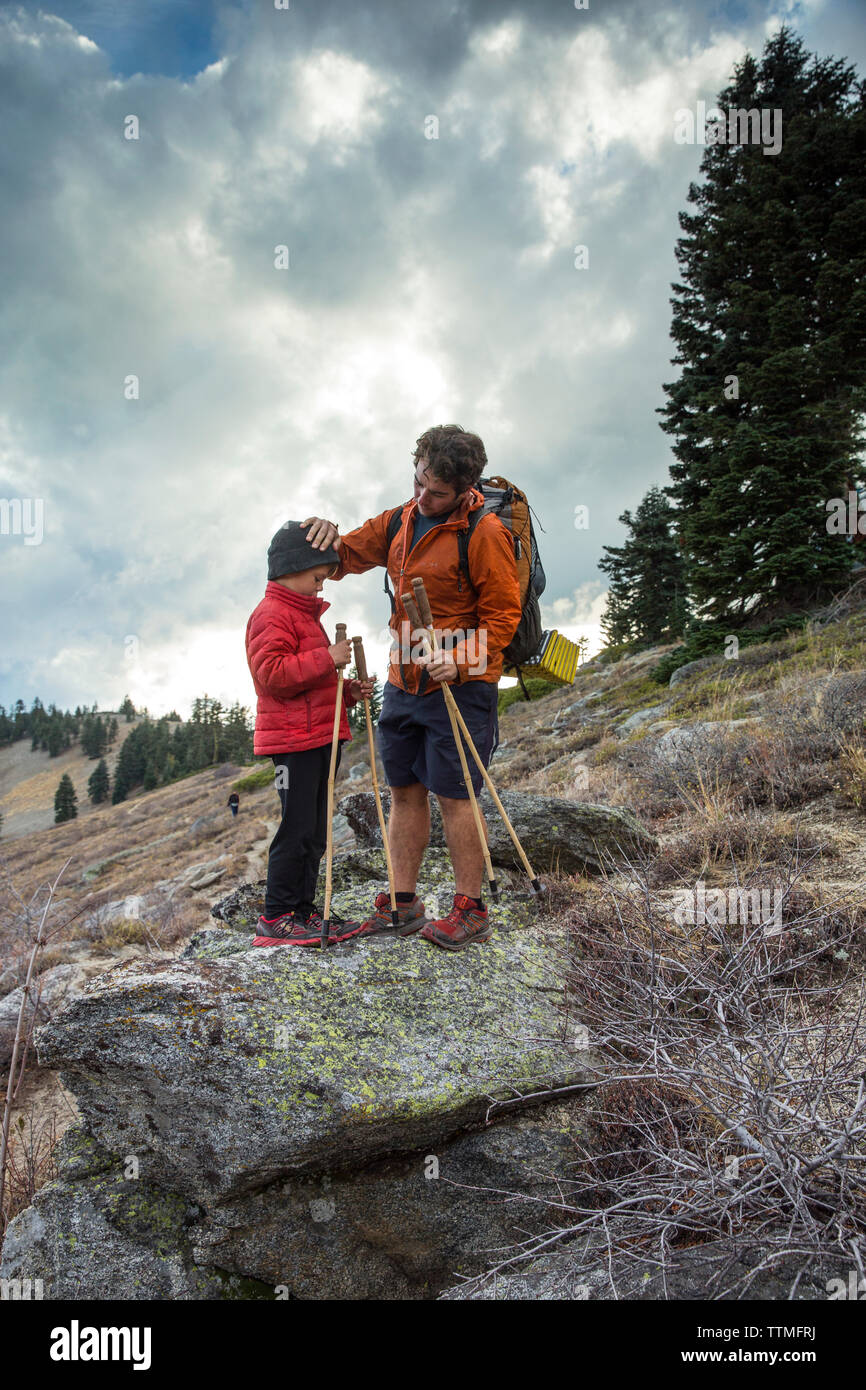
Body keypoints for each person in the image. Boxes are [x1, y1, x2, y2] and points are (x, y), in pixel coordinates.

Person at [301, 424, 521, 951]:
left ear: (466, 490)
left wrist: (463, 660)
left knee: (457, 795)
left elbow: (503, 614)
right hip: (404, 678)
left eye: (437, 492)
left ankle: (470, 908)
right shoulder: (401, 519)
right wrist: (322, 535)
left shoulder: (485, 534)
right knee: (403, 790)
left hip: (459, 687)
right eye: (419, 481)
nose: (423, 496)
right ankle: (404, 903)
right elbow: (345, 558)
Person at [245, 521, 376, 947]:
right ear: (292, 568)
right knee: (296, 827)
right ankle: (277, 917)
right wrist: (327, 657)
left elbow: (313, 687)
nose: (321, 588)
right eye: (318, 578)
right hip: (293, 744)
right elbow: (273, 674)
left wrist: (349, 693)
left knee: (315, 830)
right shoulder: (271, 615)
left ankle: (301, 911)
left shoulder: (300, 615)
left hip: (318, 736)